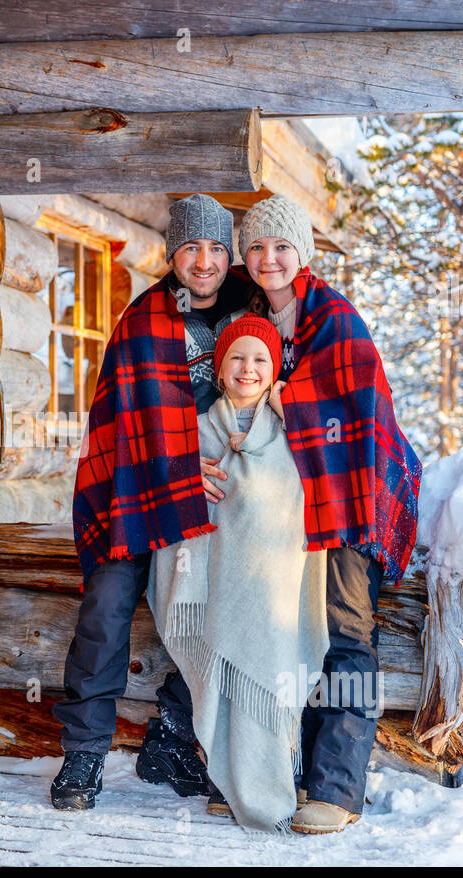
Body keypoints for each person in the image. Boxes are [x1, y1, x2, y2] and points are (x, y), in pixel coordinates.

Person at [203, 195, 423, 834]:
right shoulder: (255, 316)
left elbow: (349, 408)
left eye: (280, 247)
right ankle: (260, 774)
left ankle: (336, 787)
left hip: (353, 492)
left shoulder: (334, 317)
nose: (267, 259)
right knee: (273, 630)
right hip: (291, 505)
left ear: (303, 251)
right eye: (256, 248)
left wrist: (283, 394)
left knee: (343, 631)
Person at [50, 194, 252, 810]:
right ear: (173, 254)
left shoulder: (250, 308)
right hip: (139, 485)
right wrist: (181, 460)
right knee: (107, 608)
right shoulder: (144, 319)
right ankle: (83, 755)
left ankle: (172, 732)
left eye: (217, 247)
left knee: (228, 607)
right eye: (192, 247)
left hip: (222, 493)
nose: (206, 260)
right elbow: (128, 416)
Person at [148, 319, 330, 831]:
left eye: (260, 361)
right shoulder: (197, 430)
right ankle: (223, 782)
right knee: (220, 681)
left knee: (269, 677)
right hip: (212, 584)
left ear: (274, 373)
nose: (247, 369)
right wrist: (183, 476)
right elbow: (171, 503)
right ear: (219, 368)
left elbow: (305, 498)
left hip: (273, 587)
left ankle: (270, 780)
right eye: (236, 359)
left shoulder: (293, 431)